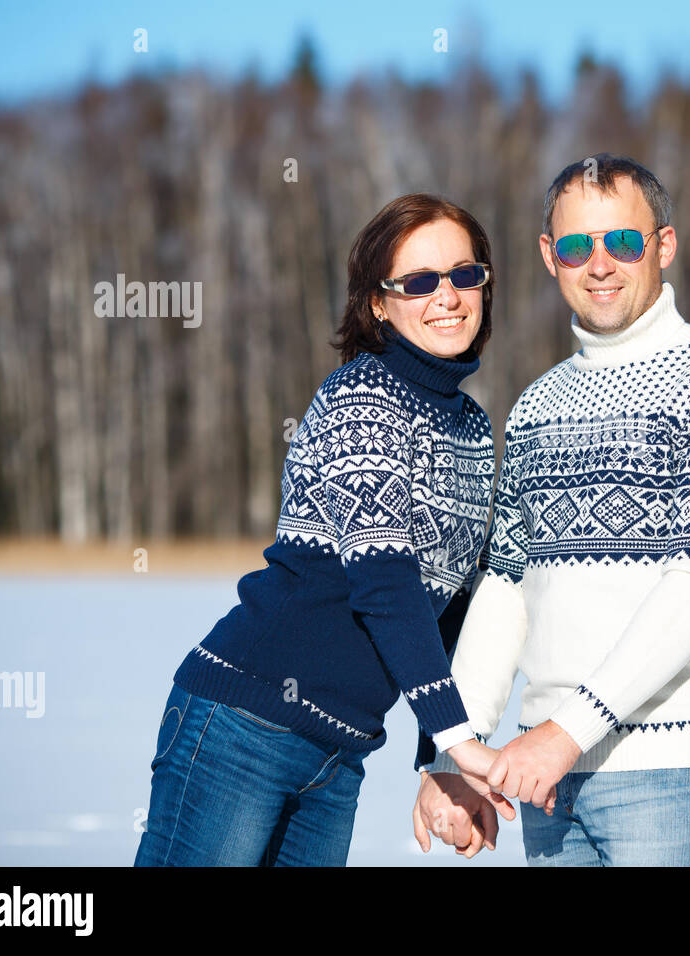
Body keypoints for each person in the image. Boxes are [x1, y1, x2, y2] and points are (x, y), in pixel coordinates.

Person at [413, 154, 690, 866]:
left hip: (670, 774)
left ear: (663, 246)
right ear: (551, 258)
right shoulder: (534, 409)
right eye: (579, 246)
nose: (602, 264)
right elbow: (505, 590)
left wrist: (565, 732)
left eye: (624, 241)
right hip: (549, 786)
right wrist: (449, 755)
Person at [135, 193, 512, 866]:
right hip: (243, 726)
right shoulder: (364, 396)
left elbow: (452, 608)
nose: (447, 295)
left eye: (464, 274)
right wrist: (457, 737)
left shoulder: (472, 428)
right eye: (419, 281)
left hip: (340, 752)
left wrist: (440, 760)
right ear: (377, 303)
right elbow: (384, 583)